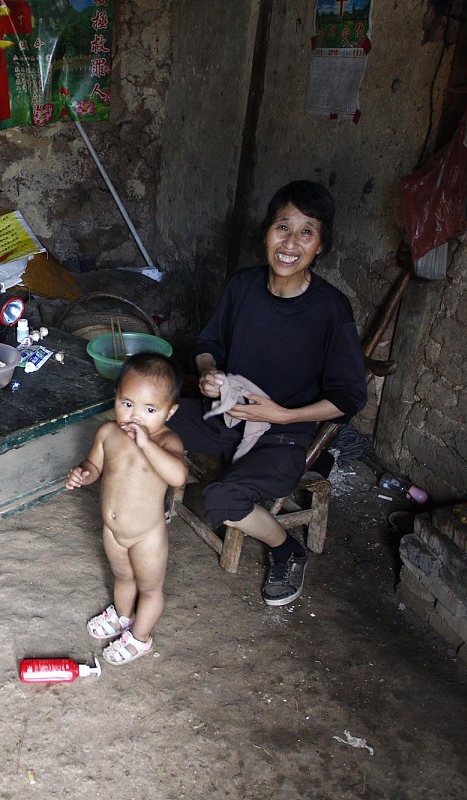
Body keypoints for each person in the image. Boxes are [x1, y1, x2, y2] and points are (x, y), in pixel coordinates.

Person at [168, 180, 367, 607]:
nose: (290, 242)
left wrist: (284, 416)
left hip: (283, 434)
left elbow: (349, 396)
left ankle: (286, 549)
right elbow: (210, 344)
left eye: (306, 232)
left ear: (320, 247)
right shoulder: (243, 286)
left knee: (224, 497)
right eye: (282, 227)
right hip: (225, 415)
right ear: (266, 233)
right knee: (144, 417)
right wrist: (208, 373)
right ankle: (151, 499)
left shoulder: (331, 309)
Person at [66, 354, 188, 665]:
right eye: (127, 403)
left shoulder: (167, 441)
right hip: (113, 531)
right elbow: (95, 465)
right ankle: (122, 617)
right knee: (122, 576)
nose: (135, 416)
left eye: (150, 410)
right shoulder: (108, 432)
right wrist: (83, 473)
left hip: (147, 536)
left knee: (149, 589)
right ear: (116, 397)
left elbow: (178, 476)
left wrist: (148, 445)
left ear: (170, 412)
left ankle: (140, 638)